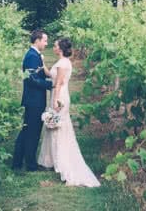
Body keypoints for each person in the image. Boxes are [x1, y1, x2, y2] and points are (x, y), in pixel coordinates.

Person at [37, 37, 100, 187]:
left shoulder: (63, 63)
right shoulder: (61, 62)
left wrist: (55, 100)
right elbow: (49, 75)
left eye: (56, 45)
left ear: (60, 49)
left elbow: (58, 83)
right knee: (53, 127)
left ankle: (62, 162)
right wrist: (42, 62)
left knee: (58, 127)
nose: (53, 46)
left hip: (60, 96)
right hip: (57, 94)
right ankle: (50, 160)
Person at [12, 29, 53, 171]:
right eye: (45, 40)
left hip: (34, 100)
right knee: (32, 133)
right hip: (33, 100)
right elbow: (32, 79)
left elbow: (38, 74)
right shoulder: (32, 56)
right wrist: (50, 85)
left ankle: (17, 163)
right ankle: (30, 164)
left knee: (27, 131)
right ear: (37, 40)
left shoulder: (35, 55)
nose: (46, 43)